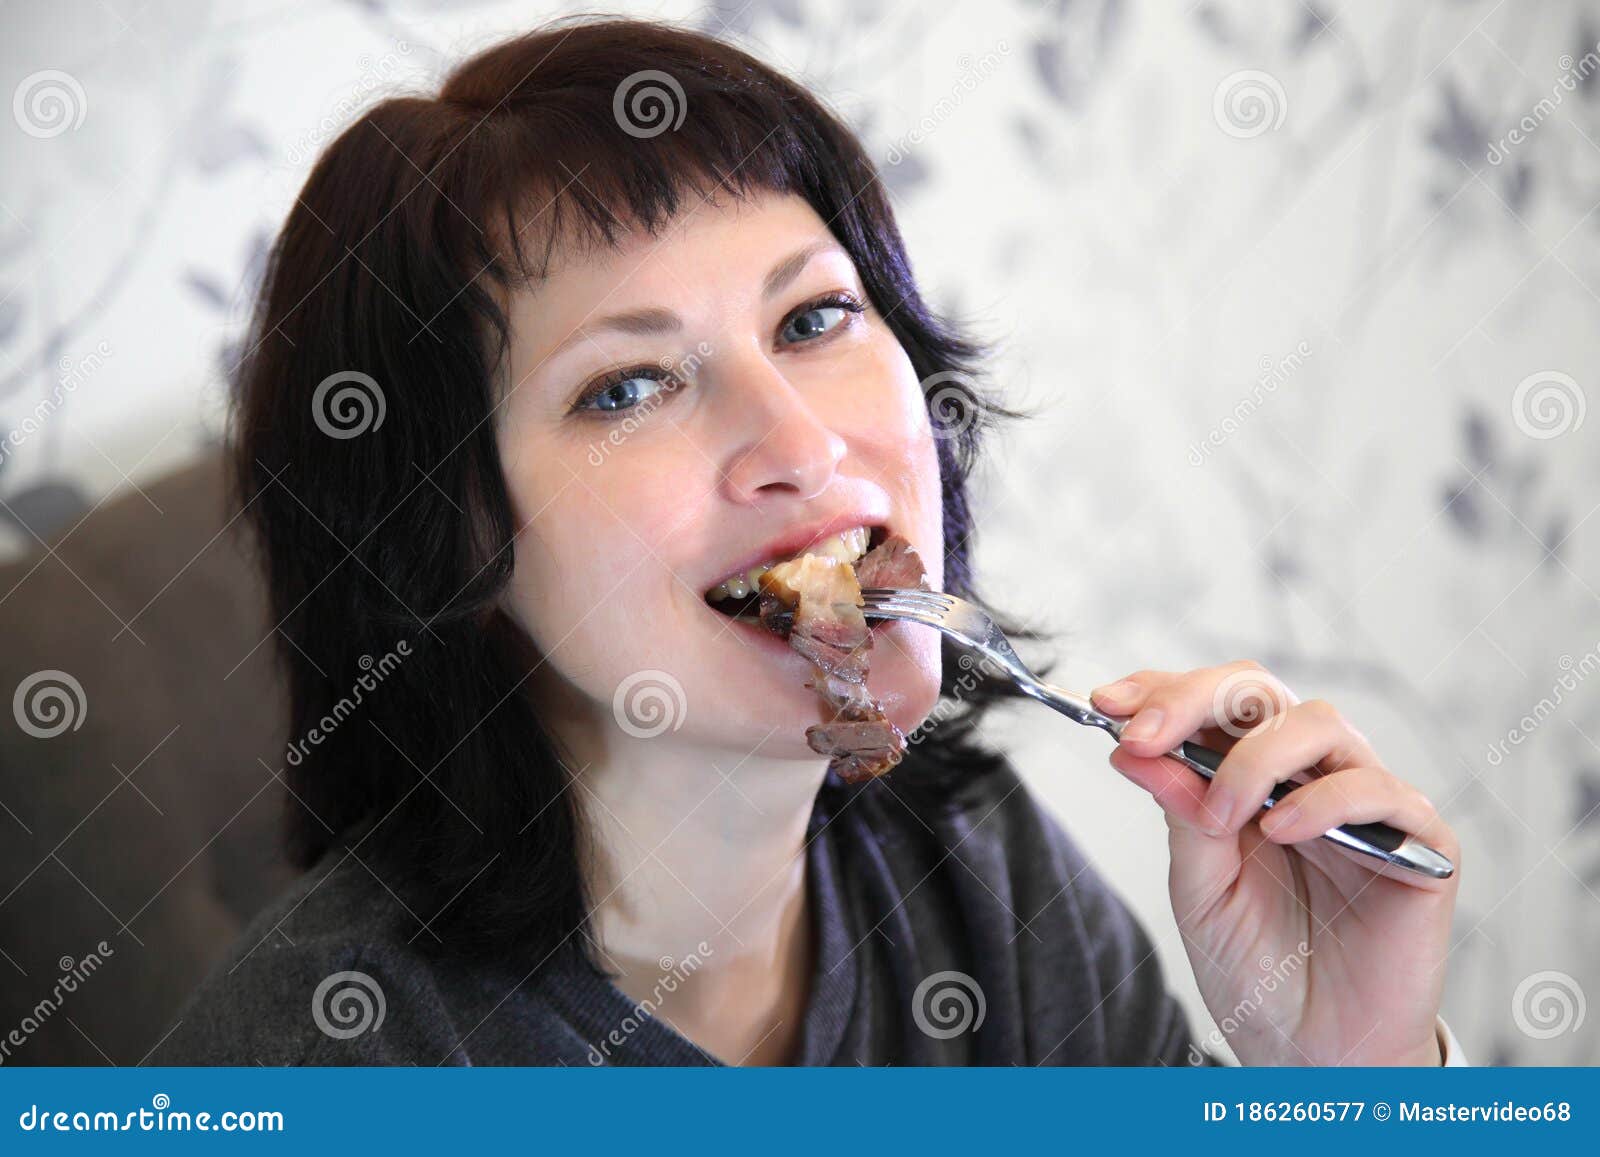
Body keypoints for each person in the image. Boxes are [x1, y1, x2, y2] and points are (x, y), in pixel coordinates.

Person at [153, 17, 1463, 1066]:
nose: (803, 444)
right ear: (450, 550)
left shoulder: (977, 872)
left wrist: (1348, 1073)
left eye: (813, 320)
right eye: (627, 387)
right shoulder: (332, 1058)